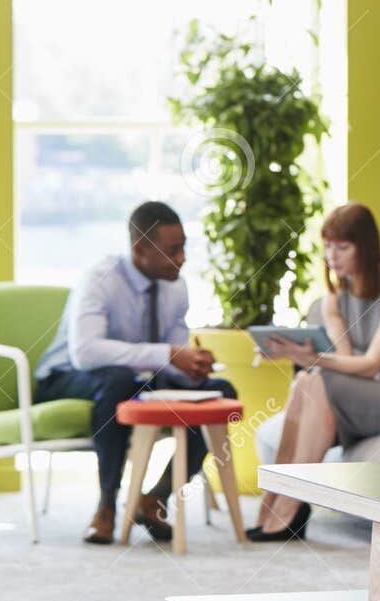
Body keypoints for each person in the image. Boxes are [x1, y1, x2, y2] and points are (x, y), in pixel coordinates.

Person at [35, 201, 234, 544]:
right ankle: (106, 507)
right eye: (173, 250)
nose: (182, 258)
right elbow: (86, 353)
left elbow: (171, 356)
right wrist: (167, 355)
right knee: (118, 380)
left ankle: (154, 498)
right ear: (140, 249)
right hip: (66, 376)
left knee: (221, 391)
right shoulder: (101, 279)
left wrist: (192, 368)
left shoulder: (176, 286)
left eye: (184, 247)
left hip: (138, 378)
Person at [252, 202, 380, 541]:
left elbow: (371, 365)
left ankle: (290, 508)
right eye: (328, 246)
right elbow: (347, 363)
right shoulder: (335, 298)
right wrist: (296, 355)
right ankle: (280, 505)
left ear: (365, 247)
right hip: (376, 391)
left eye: (342, 247)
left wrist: (310, 357)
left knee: (316, 376)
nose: (332, 256)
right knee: (306, 380)